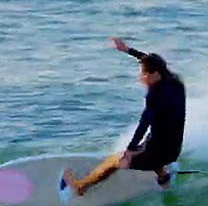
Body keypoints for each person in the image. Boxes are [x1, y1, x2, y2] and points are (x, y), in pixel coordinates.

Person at [63, 37, 186, 196]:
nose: (141, 77)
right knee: (153, 139)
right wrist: (127, 50)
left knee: (114, 161)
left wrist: (130, 150)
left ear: (155, 73)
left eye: (144, 74)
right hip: (174, 148)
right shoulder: (175, 81)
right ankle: (163, 176)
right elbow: (148, 60)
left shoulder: (155, 96)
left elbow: (144, 123)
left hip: (158, 153)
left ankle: (80, 186)